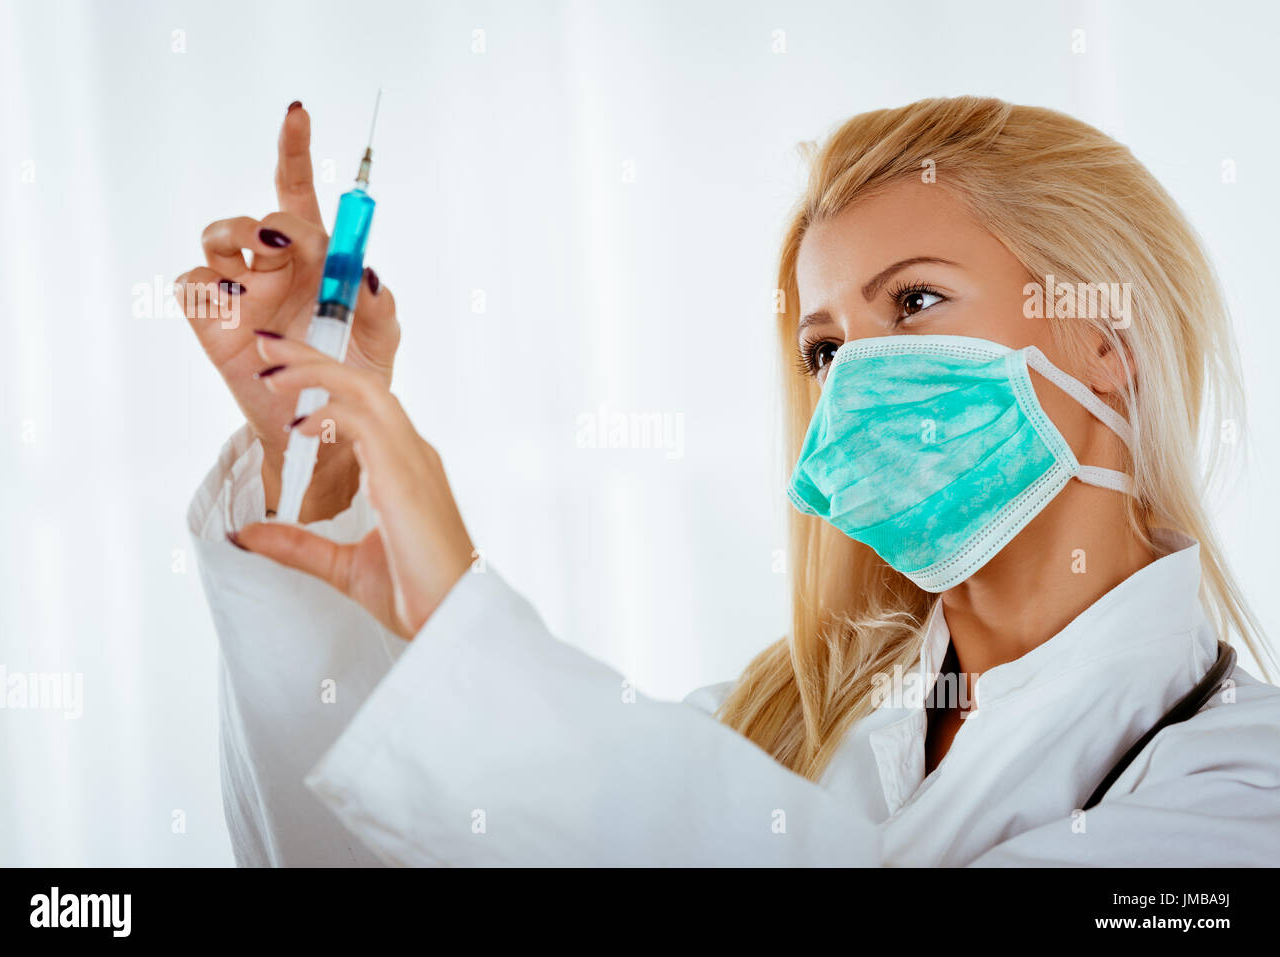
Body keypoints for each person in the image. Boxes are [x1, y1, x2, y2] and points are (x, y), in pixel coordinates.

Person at [177, 97, 1280, 866]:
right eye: (824, 349)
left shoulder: (1244, 781)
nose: (856, 382)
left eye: (915, 302)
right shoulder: (767, 731)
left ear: (1104, 342)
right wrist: (315, 465)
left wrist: (466, 617)